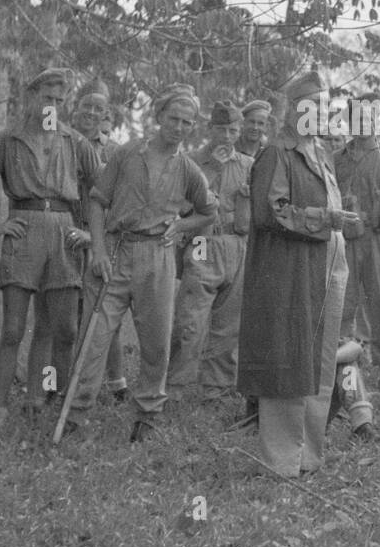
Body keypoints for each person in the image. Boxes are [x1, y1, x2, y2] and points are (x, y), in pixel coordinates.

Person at [0, 69, 103, 424]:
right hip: (24, 232)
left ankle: (48, 395)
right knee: (13, 328)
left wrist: (91, 235)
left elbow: (105, 191)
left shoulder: (74, 142)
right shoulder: (8, 140)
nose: (53, 105)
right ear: (30, 97)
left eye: (59, 100)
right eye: (47, 98)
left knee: (63, 328)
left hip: (64, 233)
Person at [237, 68, 359, 477]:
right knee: (289, 358)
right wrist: (325, 218)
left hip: (325, 265)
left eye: (325, 105)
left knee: (319, 361)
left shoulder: (320, 152)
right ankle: (282, 462)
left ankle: (308, 454)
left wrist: (338, 221)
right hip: (288, 270)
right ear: (295, 108)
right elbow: (270, 212)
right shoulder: (277, 152)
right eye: (314, 105)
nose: (322, 112)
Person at [79, 86, 216, 440]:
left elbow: (208, 212)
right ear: (159, 117)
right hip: (115, 251)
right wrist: (96, 249)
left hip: (158, 256)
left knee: (156, 341)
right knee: (94, 337)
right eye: (174, 118)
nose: (179, 127)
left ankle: (147, 417)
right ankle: (77, 414)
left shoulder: (187, 168)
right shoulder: (126, 154)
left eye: (187, 122)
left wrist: (181, 225)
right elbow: (97, 201)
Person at [166, 101, 253, 403]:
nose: (227, 136)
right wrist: (213, 169)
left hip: (236, 243)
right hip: (203, 241)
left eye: (233, 130)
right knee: (190, 319)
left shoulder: (248, 165)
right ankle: (176, 385)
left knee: (229, 324)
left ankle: (216, 388)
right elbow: (183, 205)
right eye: (221, 129)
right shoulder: (191, 161)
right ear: (210, 129)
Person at [333, 103, 380, 397]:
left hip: (377, 238)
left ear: (375, 121)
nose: (361, 124)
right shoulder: (337, 158)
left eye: (366, 118)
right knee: (344, 300)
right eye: (355, 119)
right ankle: (345, 361)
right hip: (345, 237)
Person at [69, 82, 126, 402]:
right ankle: (57, 383)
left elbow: (119, 201)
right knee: (63, 319)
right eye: (85, 106)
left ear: (106, 115)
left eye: (98, 109)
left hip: (100, 239)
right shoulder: (61, 142)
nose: (90, 113)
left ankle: (116, 383)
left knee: (107, 313)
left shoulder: (115, 151)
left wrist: (96, 236)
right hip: (64, 234)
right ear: (74, 109)